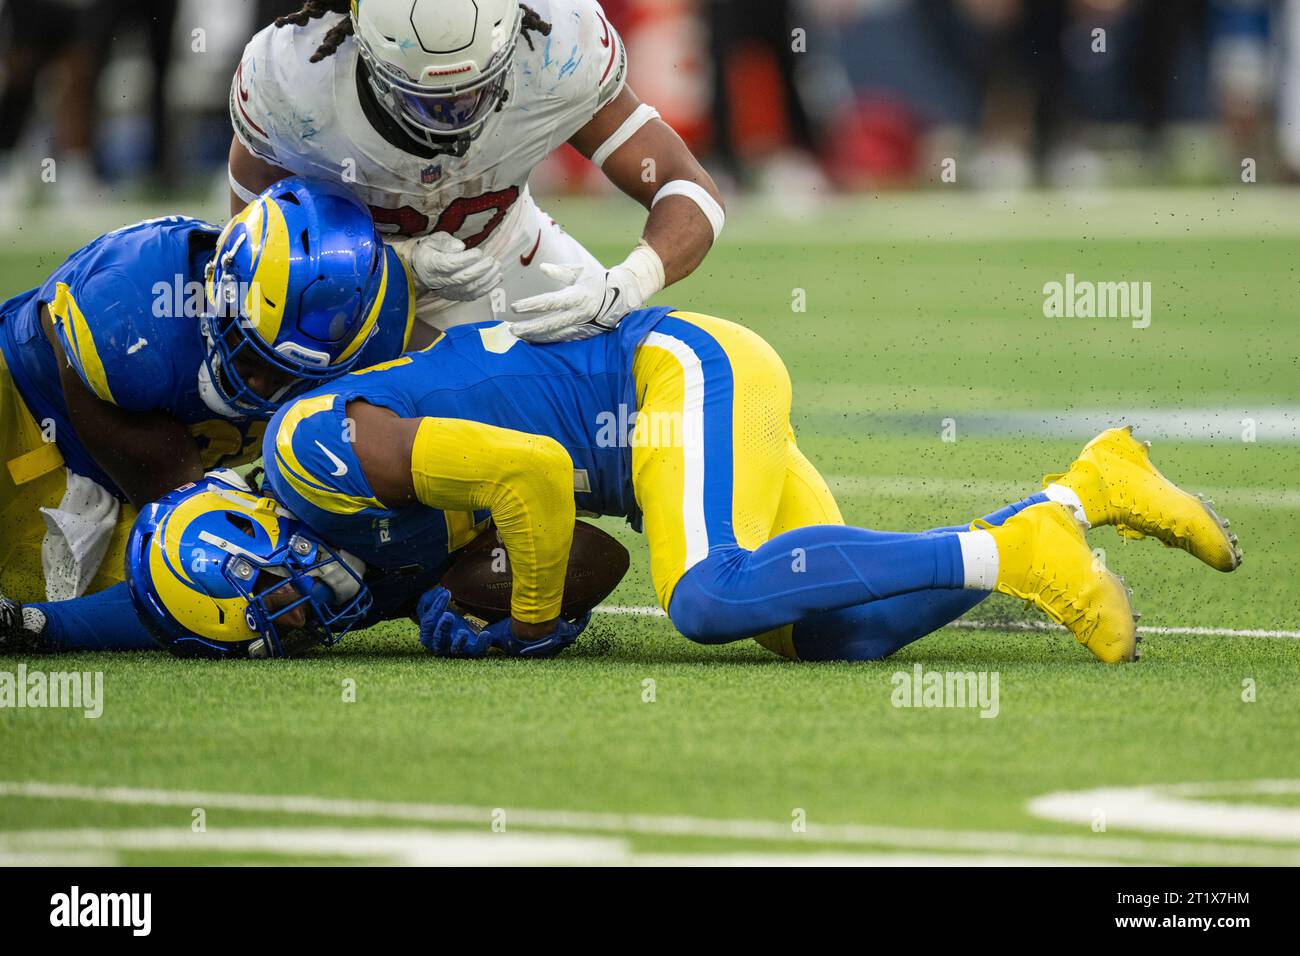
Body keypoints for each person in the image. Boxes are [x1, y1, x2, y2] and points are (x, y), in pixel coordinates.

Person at [114, 309, 1239, 662]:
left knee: (705, 597)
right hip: (653, 450)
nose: (286, 614)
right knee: (837, 635)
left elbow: (535, 472)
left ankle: (1019, 554)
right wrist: (38, 625)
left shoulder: (312, 451)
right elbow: (596, 553)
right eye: (260, 627)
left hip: (675, 375)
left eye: (262, 595)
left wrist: (528, 620)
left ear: (254, 521)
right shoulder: (355, 567)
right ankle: (1082, 493)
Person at [0, 177, 429, 650]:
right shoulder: (132, 308)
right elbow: (179, 508)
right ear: (219, 293)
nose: (259, 387)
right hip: (20, 408)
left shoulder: (379, 338)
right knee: (212, 564)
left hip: (121, 495)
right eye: (250, 354)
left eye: (287, 374)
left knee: (237, 596)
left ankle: (27, 625)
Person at [226, 0, 725, 341]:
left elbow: (683, 182)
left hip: (510, 256)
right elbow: (256, 254)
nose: (454, 116)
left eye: (475, 91)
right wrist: (398, 264)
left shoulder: (558, 44)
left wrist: (632, 280)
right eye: (428, 101)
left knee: (634, 389)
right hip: (352, 300)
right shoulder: (293, 84)